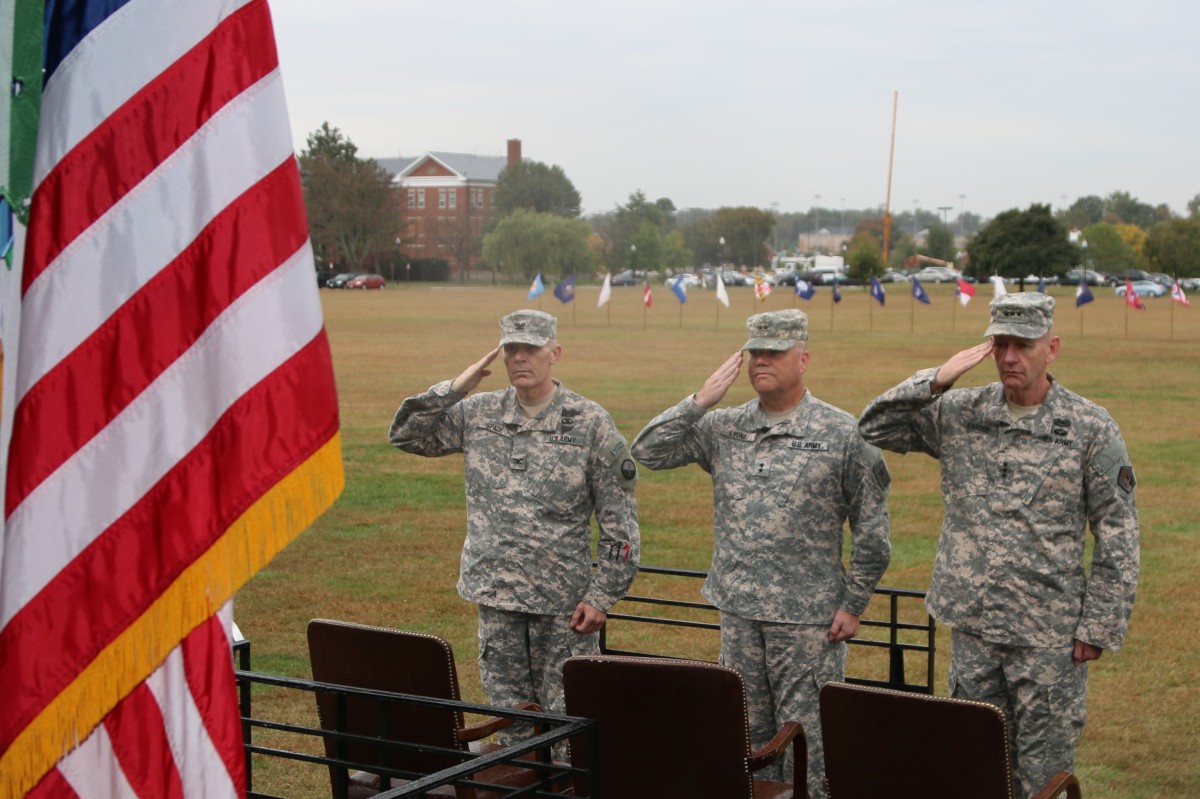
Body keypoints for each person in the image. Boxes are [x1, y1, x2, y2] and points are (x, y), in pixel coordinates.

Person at [859, 291, 1139, 799]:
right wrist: (937, 379)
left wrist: (1098, 625)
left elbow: (1119, 530)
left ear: (1051, 348)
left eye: (1023, 346)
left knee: (1043, 778)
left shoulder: (1089, 427)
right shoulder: (962, 411)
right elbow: (876, 425)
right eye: (1000, 344)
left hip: (1048, 638)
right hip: (974, 629)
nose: (1010, 357)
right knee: (972, 766)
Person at [631, 309, 891, 799]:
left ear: (804, 358)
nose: (761, 361)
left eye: (775, 351)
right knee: (746, 740)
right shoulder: (724, 427)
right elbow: (648, 451)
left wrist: (854, 603)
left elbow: (874, 533)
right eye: (755, 352)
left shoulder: (842, 434)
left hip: (808, 622)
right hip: (739, 614)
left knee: (805, 744)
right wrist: (700, 400)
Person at [388, 309, 640, 740]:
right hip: (497, 598)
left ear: (554, 353)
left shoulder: (589, 422)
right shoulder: (478, 413)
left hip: (563, 607)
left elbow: (620, 524)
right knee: (510, 727)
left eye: (531, 348)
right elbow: (408, 435)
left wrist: (602, 595)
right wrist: (454, 388)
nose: (520, 358)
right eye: (511, 349)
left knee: (569, 728)